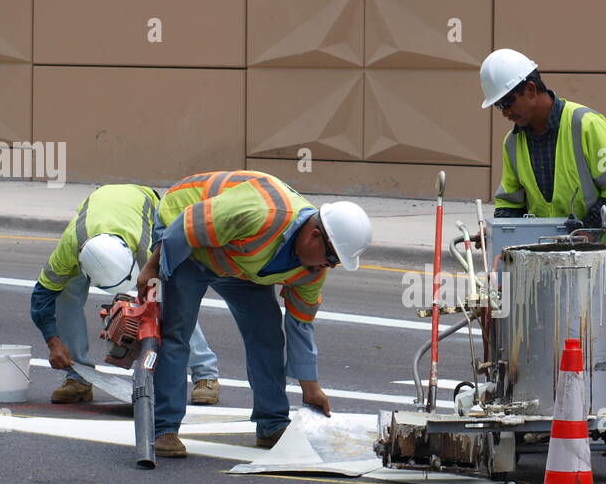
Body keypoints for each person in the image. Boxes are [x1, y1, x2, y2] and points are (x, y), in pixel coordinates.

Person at [136, 170, 372, 458]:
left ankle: (272, 423)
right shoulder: (260, 212)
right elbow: (184, 229)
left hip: (238, 259)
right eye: (332, 257)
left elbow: (300, 326)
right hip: (187, 237)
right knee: (176, 331)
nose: (330, 267)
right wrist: (151, 269)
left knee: (267, 332)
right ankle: (164, 428)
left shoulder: (311, 271)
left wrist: (311, 389)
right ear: (313, 236)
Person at [480, 48, 606, 416]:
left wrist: (591, 232)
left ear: (532, 90)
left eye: (508, 102)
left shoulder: (585, 124)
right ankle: (552, 409)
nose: (506, 112)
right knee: (539, 340)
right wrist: (499, 233)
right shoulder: (514, 142)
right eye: (499, 107)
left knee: (601, 341)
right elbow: (511, 202)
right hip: (539, 259)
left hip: (593, 258)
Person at [29, 183, 221, 405]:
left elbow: (164, 300)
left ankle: (205, 374)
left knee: (171, 299)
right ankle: (78, 377)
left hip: (142, 202)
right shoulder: (70, 247)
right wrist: (53, 342)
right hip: (100, 206)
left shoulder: (148, 245)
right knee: (65, 292)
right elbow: (41, 296)